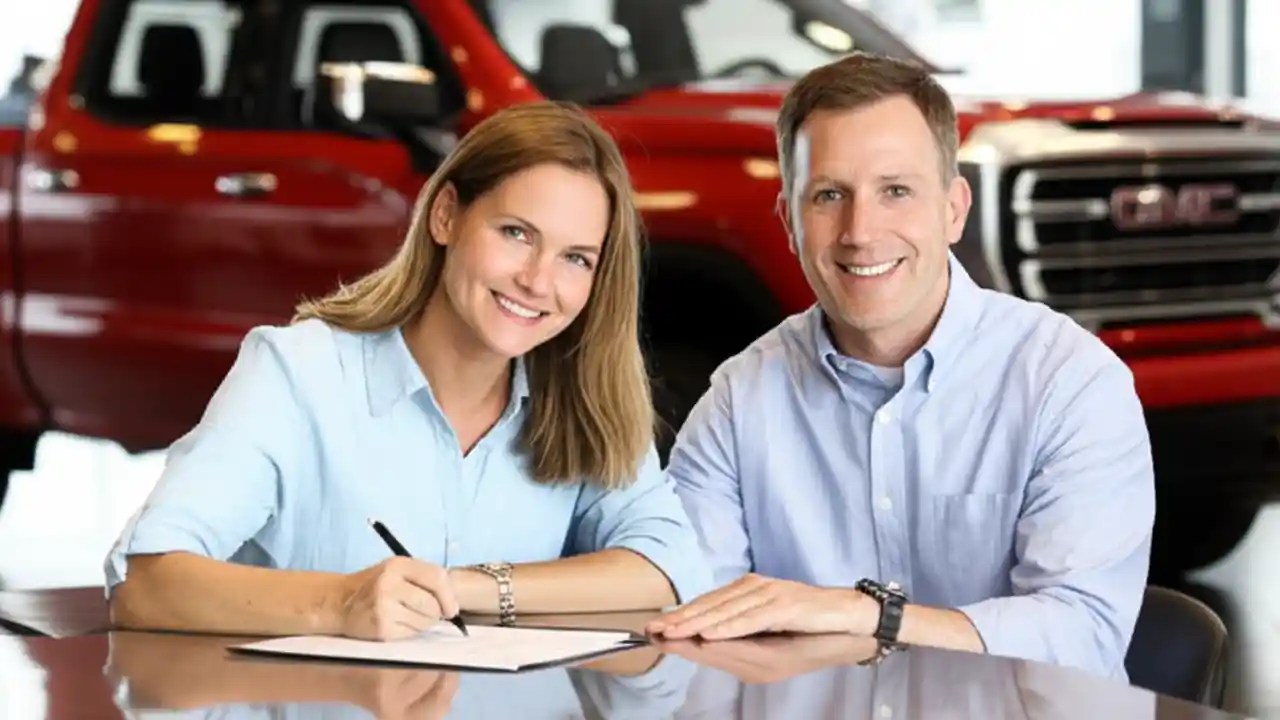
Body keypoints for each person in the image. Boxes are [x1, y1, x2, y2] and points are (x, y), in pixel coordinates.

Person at [104, 101, 711, 639]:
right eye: (516, 233)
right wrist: (339, 603)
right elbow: (147, 583)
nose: (538, 281)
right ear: (446, 216)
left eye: (576, 258)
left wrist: (463, 589)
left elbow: (669, 564)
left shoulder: (585, 393)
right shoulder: (298, 372)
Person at [646, 52, 1155, 681]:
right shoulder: (738, 399)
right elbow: (691, 617)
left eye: (896, 191)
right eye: (830, 195)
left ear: (953, 209)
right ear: (788, 221)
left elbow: (1082, 635)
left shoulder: (1069, 383)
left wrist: (872, 619)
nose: (861, 230)